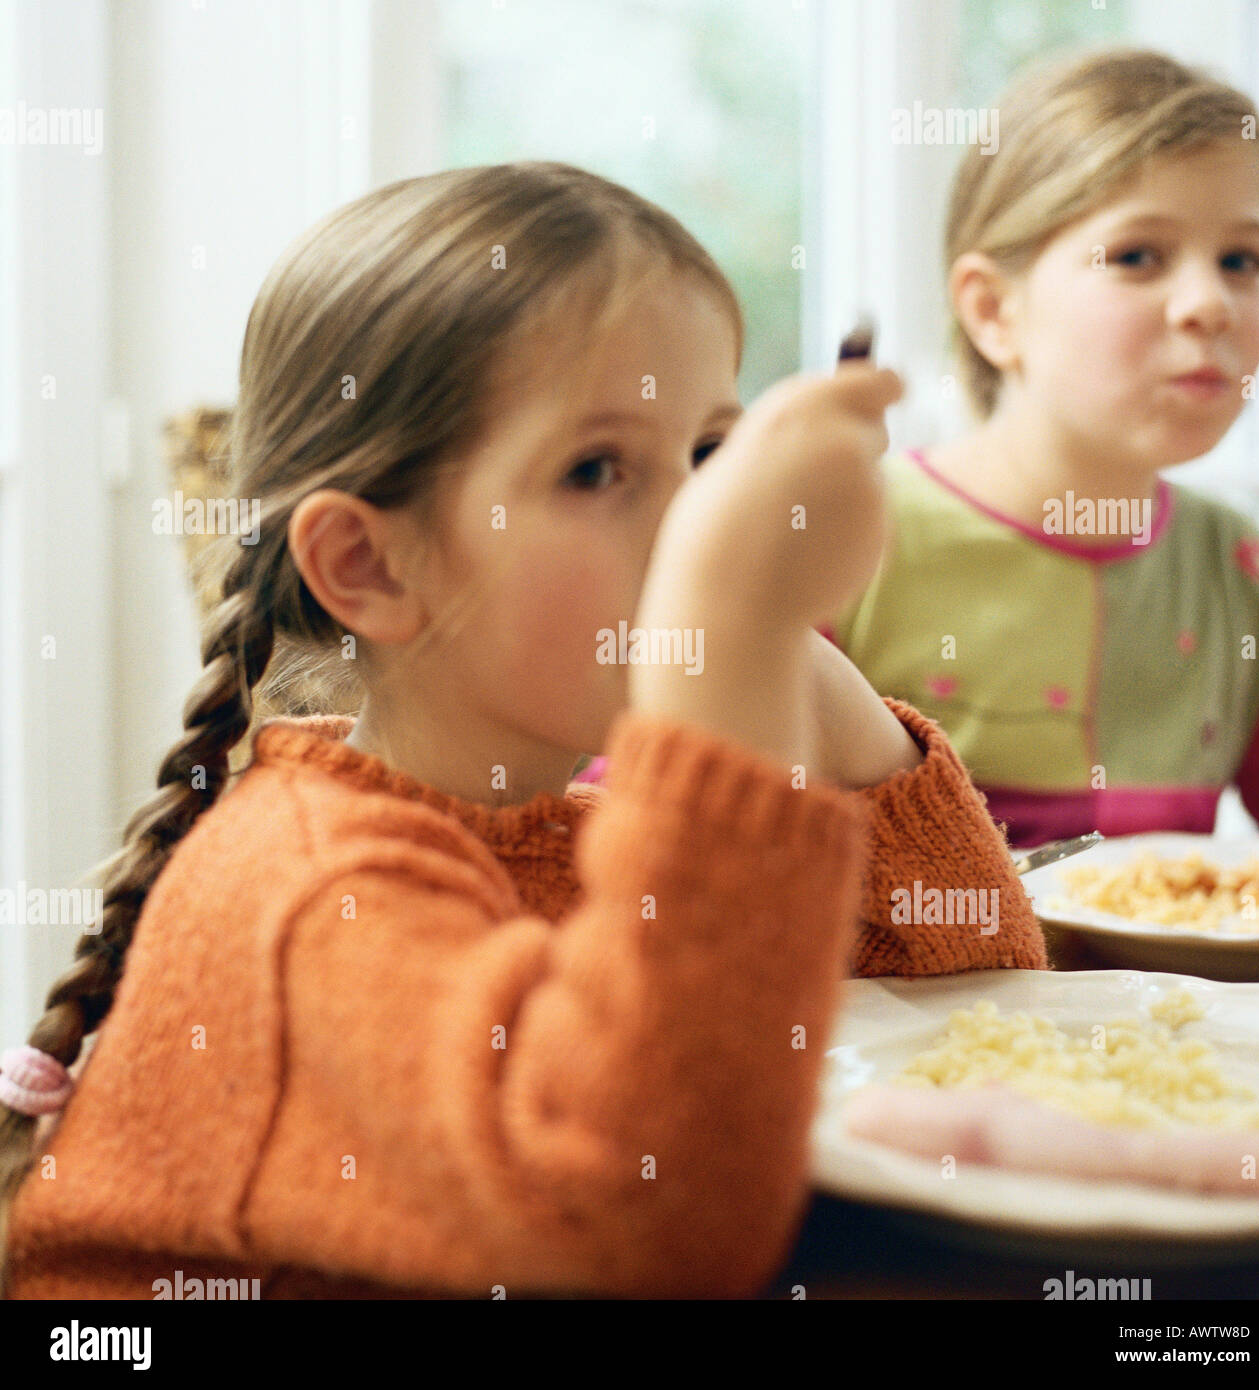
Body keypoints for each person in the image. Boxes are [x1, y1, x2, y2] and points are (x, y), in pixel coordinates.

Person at [1, 163, 1044, 1301]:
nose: (690, 522)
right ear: (367, 565)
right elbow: (636, 1231)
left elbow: (978, 983)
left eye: (706, 458)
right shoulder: (309, 894)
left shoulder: (565, 834)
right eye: (597, 469)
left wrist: (776, 638)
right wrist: (726, 632)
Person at [833, 49, 1259, 849]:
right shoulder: (842, 544)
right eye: (1137, 256)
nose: (1209, 304)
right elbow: (646, 809)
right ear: (993, 312)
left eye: (1241, 260)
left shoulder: (1244, 577)